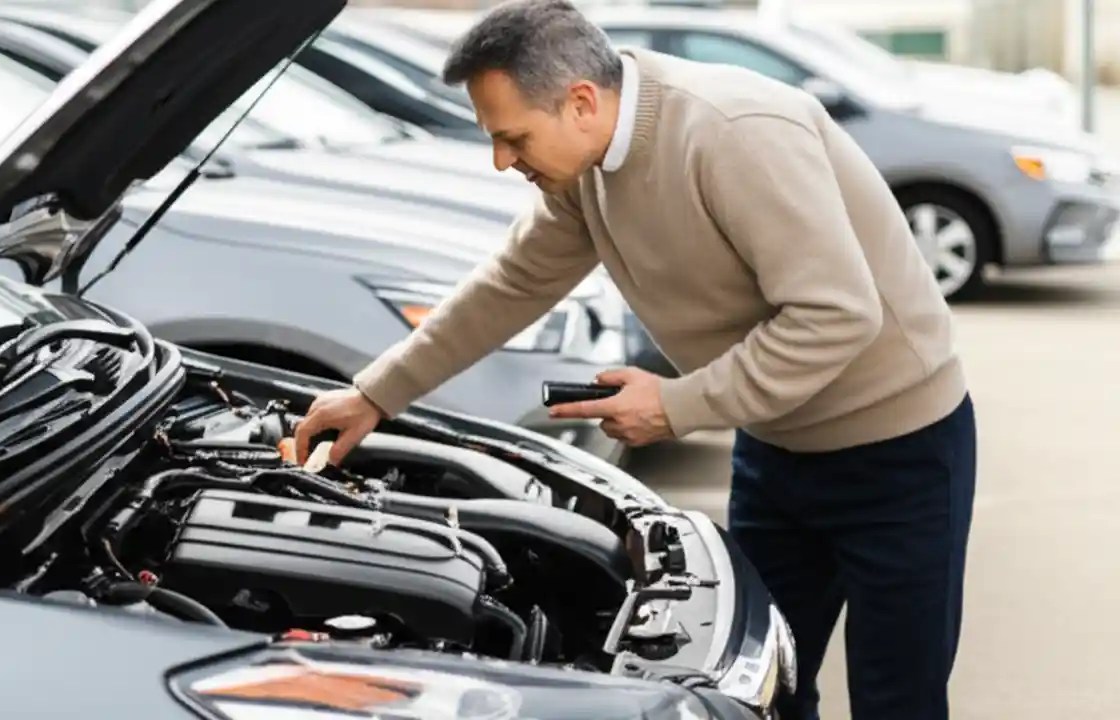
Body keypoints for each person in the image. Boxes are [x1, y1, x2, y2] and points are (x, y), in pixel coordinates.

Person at [293, 1, 976, 718]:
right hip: (775, 450)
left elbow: (837, 314)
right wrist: (375, 395)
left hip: (900, 454)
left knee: (897, 699)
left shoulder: (734, 134)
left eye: (513, 137)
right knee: (761, 688)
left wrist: (675, 405)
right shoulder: (582, 170)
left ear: (581, 101)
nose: (502, 160)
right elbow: (512, 284)